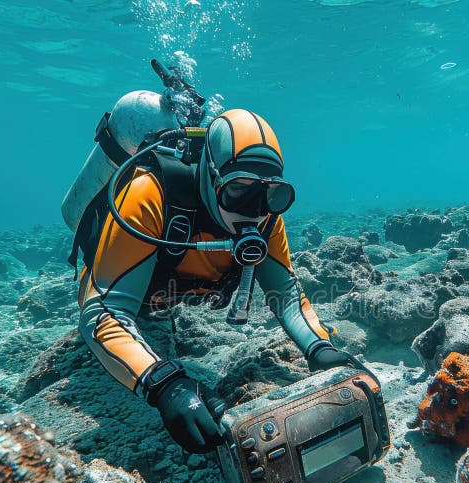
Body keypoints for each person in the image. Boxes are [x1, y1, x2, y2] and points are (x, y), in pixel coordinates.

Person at [76, 109, 357, 454]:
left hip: (169, 293)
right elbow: (103, 312)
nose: (254, 211)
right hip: (128, 285)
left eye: (272, 195)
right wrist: (164, 384)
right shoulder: (149, 194)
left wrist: (320, 348)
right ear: (211, 177)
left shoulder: (267, 218)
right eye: (238, 190)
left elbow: (285, 294)